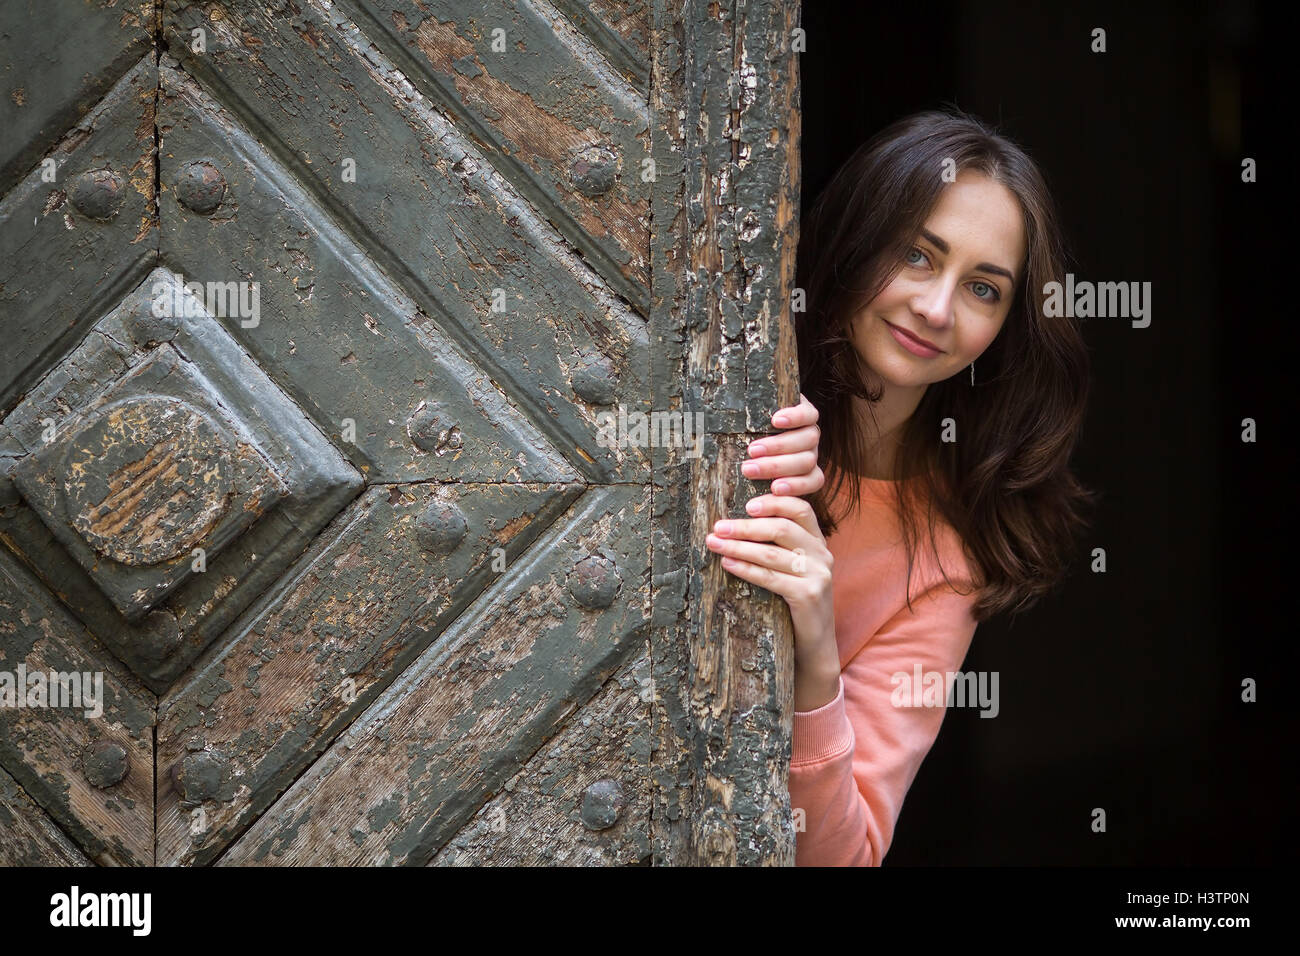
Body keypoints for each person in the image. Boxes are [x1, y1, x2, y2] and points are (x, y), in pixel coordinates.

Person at [705, 108, 1095, 865]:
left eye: (984, 289)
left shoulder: (947, 556)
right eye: (917, 255)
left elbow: (842, 859)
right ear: (859, 233)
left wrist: (815, 654)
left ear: (1008, 326)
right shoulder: (729, 377)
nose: (937, 308)